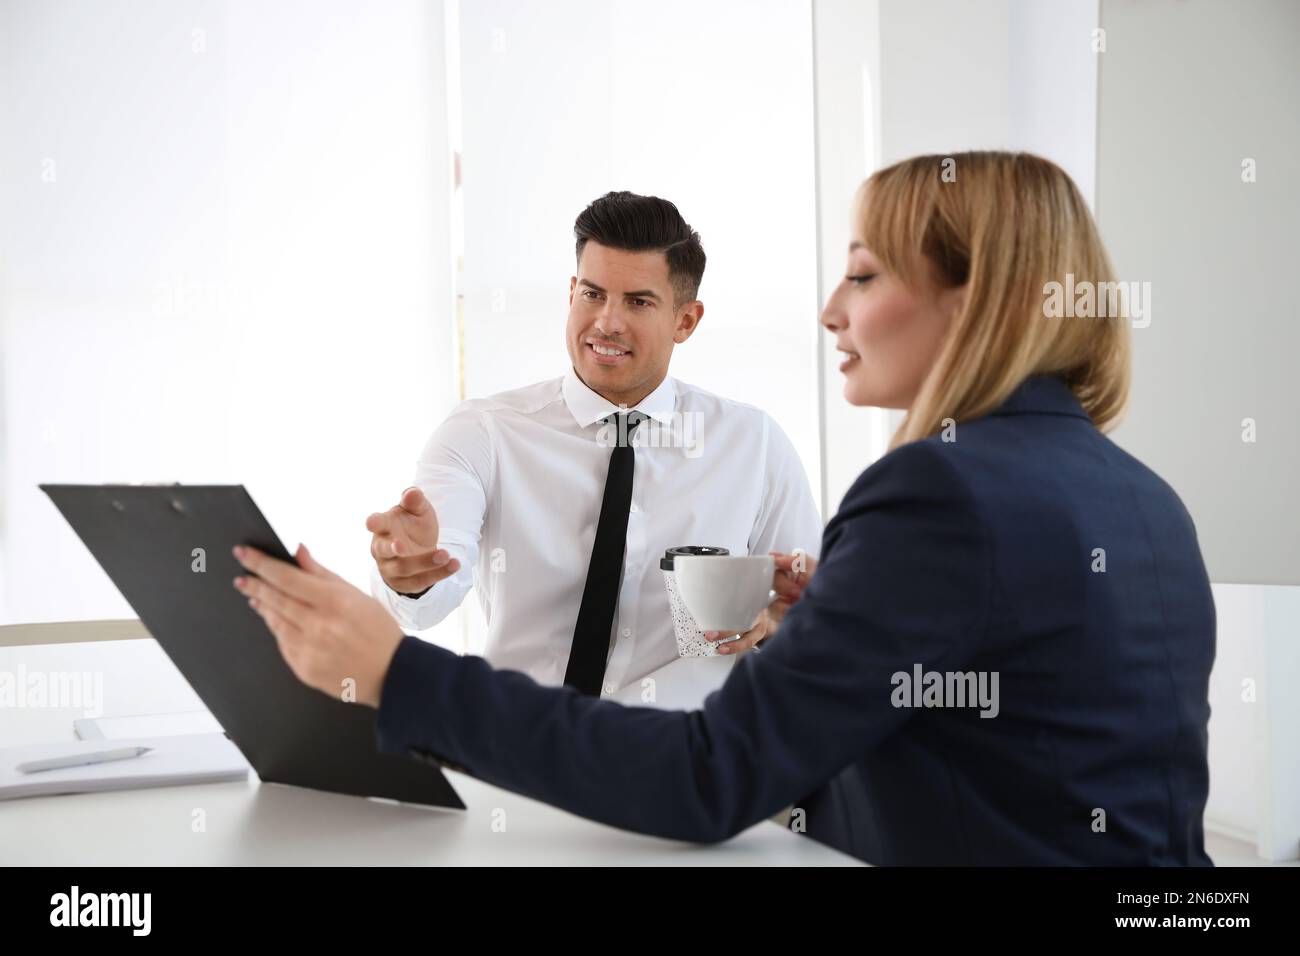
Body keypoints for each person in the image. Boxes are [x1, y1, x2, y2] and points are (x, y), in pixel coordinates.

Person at [234, 152, 1215, 865]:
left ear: (975, 301)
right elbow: (1023, 757)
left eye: (865, 275)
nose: (831, 308)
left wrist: (396, 673)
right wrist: (820, 635)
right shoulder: (1143, 496)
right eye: (587, 291)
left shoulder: (936, 488)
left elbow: (712, 779)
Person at [363, 190, 820, 697]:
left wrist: (775, 624)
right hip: (522, 749)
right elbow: (426, 596)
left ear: (685, 321)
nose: (606, 322)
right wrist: (413, 571)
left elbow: (813, 619)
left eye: (638, 302)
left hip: (685, 756)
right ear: (572, 293)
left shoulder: (753, 446)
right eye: (593, 294)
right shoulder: (483, 433)